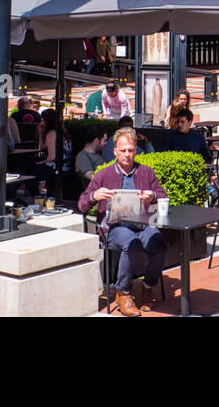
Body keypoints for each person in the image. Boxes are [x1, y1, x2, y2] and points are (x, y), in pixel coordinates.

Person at [77, 127, 168, 317]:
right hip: (114, 226)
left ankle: (148, 286)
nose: (127, 154)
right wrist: (95, 194)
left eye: (131, 150)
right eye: (123, 150)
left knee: (158, 243)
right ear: (115, 151)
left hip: (142, 223)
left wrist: (152, 197)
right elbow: (82, 204)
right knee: (131, 244)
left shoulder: (146, 173)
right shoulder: (103, 174)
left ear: (136, 150)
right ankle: (123, 292)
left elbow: (162, 196)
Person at [34, 108, 73, 191]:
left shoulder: (51, 133)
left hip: (58, 165)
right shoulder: (62, 131)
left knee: (31, 169)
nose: (42, 123)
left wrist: (40, 162)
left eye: (42, 120)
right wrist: (41, 134)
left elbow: (51, 157)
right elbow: (43, 147)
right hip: (66, 163)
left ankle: (36, 193)